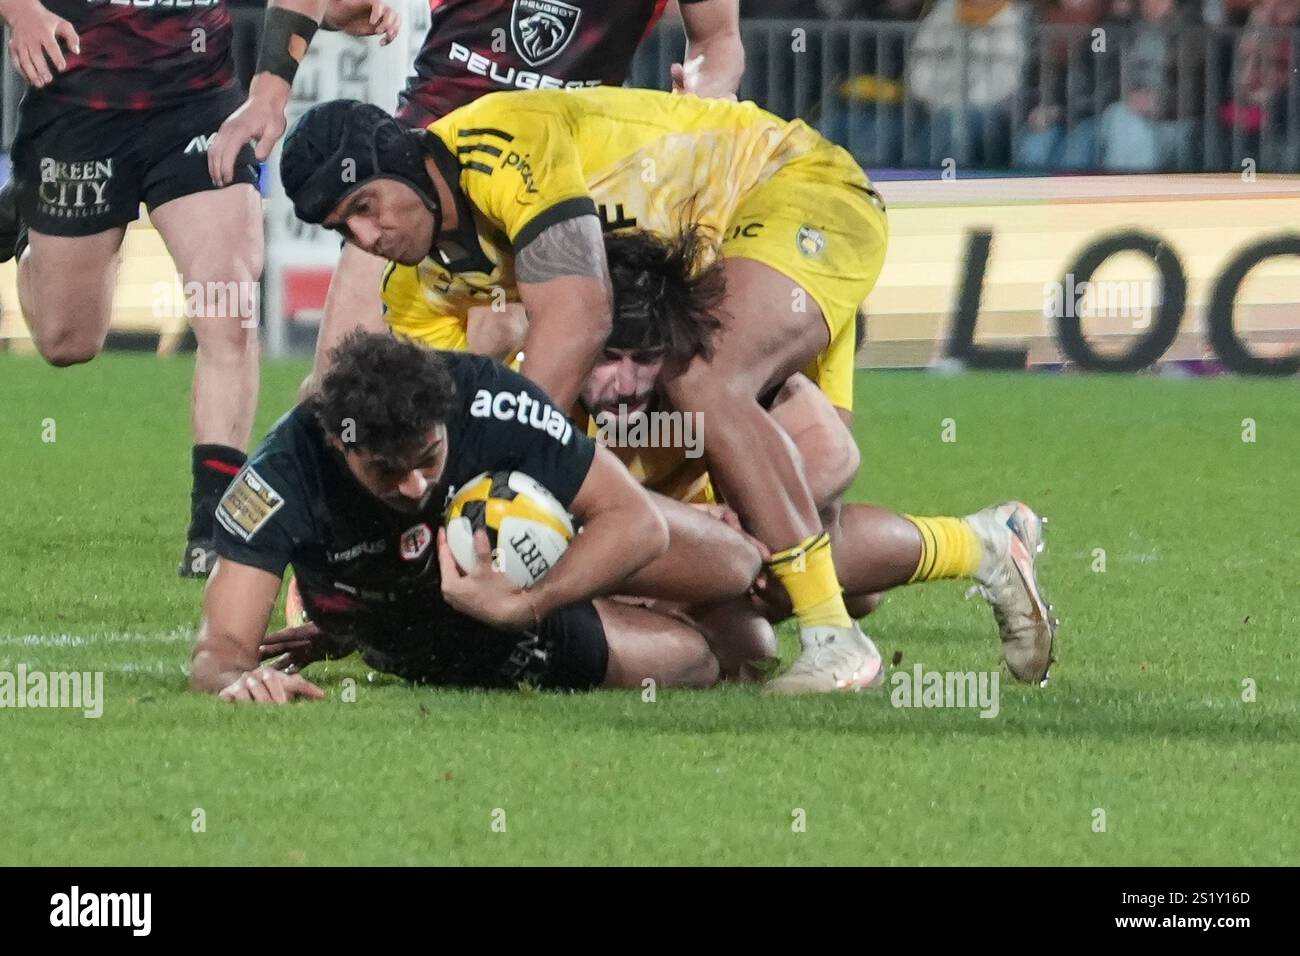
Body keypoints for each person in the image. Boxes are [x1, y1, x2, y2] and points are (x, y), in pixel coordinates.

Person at [277, 86, 893, 692]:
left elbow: (580, 318)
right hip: (718, 275)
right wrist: (366, 580)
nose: (367, 236)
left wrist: (511, 480)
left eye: (366, 204)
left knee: (705, 375)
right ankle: (979, 545)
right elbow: (430, 437)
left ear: (403, 157)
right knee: (797, 554)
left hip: (796, 188)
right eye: (344, 229)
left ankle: (833, 639)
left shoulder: (501, 142)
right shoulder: (417, 287)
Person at [0, 0, 396, 578]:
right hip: (78, 108)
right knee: (67, 340)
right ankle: (28, 224)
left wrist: (274, 85)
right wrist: (22, 12)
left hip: (198, 107)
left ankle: (216, 524)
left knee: (230, 302)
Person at [578, 228, 1057, 684]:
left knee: (817, 577)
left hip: (703, 539)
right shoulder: (541, 384)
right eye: (608, 358)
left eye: (644, 360)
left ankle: (978, 545)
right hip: (644, 533)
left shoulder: (704, 370)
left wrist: (760, 530)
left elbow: (833, 456)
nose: (625, 383)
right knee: (742, 646)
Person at [191, 331, 769, 702]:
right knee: (711, 656)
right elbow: (220, 650)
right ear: (341, 448)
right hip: (441, 632)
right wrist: (243, 681)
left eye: (428, 459)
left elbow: (636, 521)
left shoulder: (487, 398)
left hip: (530, 581)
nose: (415, 485)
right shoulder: (279, 475)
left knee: (741, 564)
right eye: (387, 472)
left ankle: (632, 595)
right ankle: (627, 607)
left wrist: (530, 599)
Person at [203, 0, 744, 394]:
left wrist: (706, 88)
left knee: (646, 389)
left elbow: (717, 40)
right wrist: (268, 93)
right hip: (422, 180)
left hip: (566, 185)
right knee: (338, 392)